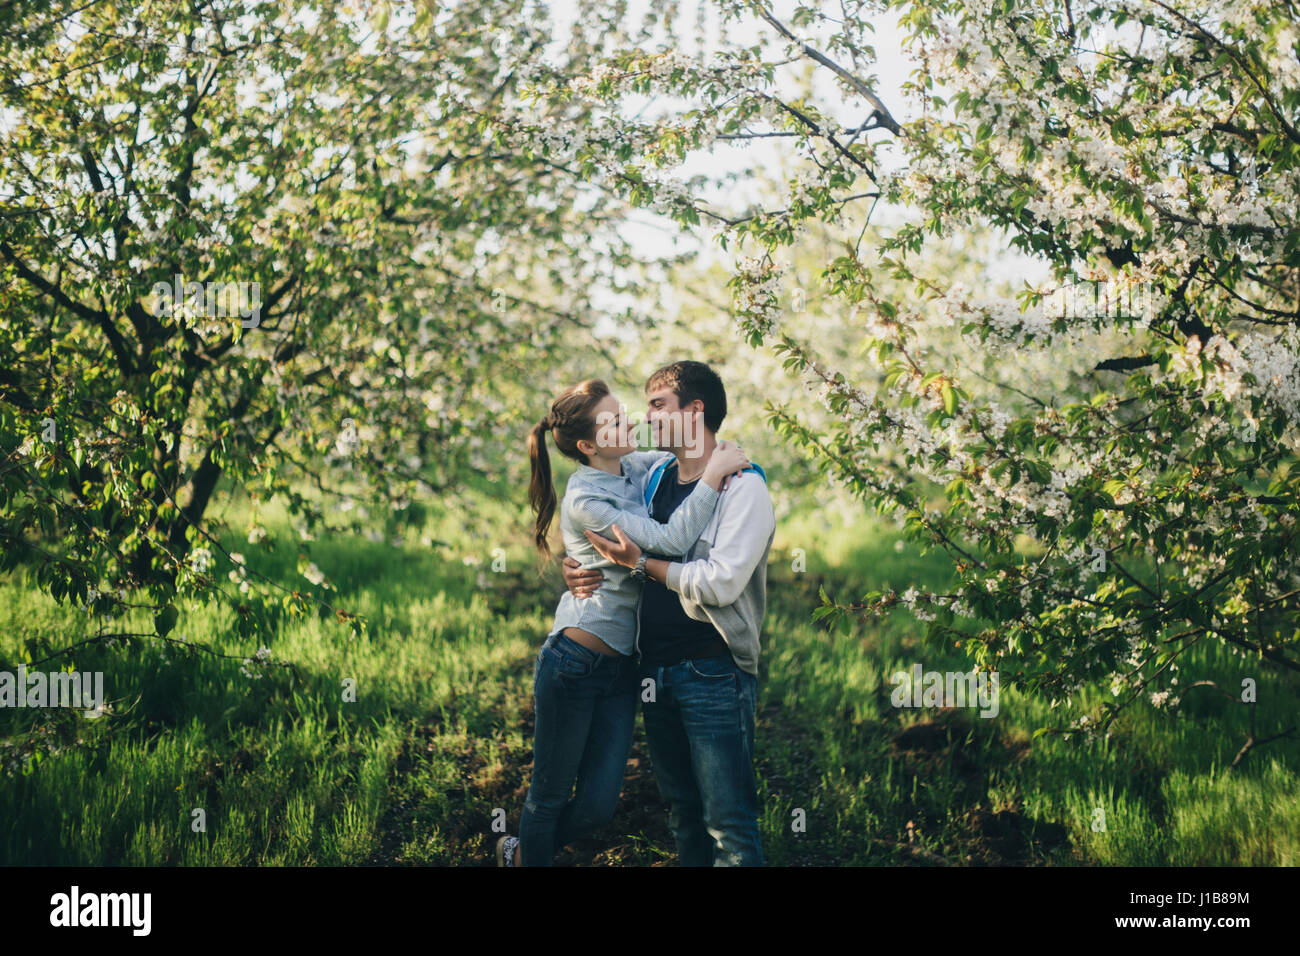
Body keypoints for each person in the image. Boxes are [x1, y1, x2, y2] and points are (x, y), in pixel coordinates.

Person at [498, 377, 749, 866]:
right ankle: (525, 854)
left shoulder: (635, 466)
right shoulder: (586, 500)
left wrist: (723, 457)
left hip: (624, 671)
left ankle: (522, 851)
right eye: (614, 421)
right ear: (589, 445)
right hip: (576, 661)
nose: (630, 421)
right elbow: (670, 540)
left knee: (597, 807)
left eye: (623, 412)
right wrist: (715, 476)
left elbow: (686, 455)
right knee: (547, 797)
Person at [564, 360, 775, 866]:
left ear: (694, 409)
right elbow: (598, 506)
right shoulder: (653, 477)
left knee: (729, 822)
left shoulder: (744, 487)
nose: (647, 416)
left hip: (713, 670)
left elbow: (720, 584)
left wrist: (644, 564)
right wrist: (572, 566)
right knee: (682, 813)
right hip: (654, 669)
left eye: (658, 405)